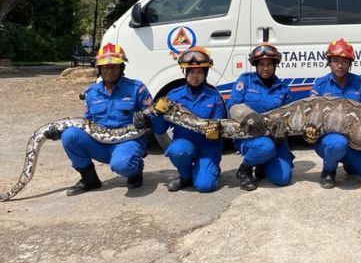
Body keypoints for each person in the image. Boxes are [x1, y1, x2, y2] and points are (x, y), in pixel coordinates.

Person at [45, 43, 151, 195]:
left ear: (122, 68)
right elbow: (86, 122)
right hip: (100, 144)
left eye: (114, 66)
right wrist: (60, 131)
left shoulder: (137, 88)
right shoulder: (91, 92)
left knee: (122, 164)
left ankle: (135, 170)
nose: (109, 70)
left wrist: (147, 120)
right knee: (70, 135)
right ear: (99, 69)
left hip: (127, 142)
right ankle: (90, 180)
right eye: (105, 67)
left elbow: (154, 115)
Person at [307, 38, 361, 189]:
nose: (340, 65)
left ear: (350, 63)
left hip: (356, 143)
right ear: (329, 62)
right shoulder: (320, 85)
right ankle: (328, 171)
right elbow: (311, 118)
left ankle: (350, 163)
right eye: (335, 60)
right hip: (330, 140)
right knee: (338, 143)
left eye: (344, 61)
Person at [151, 46, 227, 193]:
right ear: (185, 72)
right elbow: (160, 129)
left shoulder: (214, 97)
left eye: (199, 72)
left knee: (205, 186)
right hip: (184, 143)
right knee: (177, 151)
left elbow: (220, 127)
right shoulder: (173, 97)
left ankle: (209, 168)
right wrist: (157, 115)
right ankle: (185, 176)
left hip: (208, 147)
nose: (195, 76)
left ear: (205, 73)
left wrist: (216, 131)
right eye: (191, 72)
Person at [227, 43, 295, 191]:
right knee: (265, 146)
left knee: (283, 179)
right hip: (250, 137)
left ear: (275, 65)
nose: (265, 68)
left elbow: (290, 116)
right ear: (255, 65)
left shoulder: (283, 89)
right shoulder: (245, 81)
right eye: (262, 64)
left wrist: (283, 134)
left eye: (269, 64)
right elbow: (232, 105)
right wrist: (247, 115)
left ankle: (263, 165)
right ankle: (245, 170)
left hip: (276, 140)